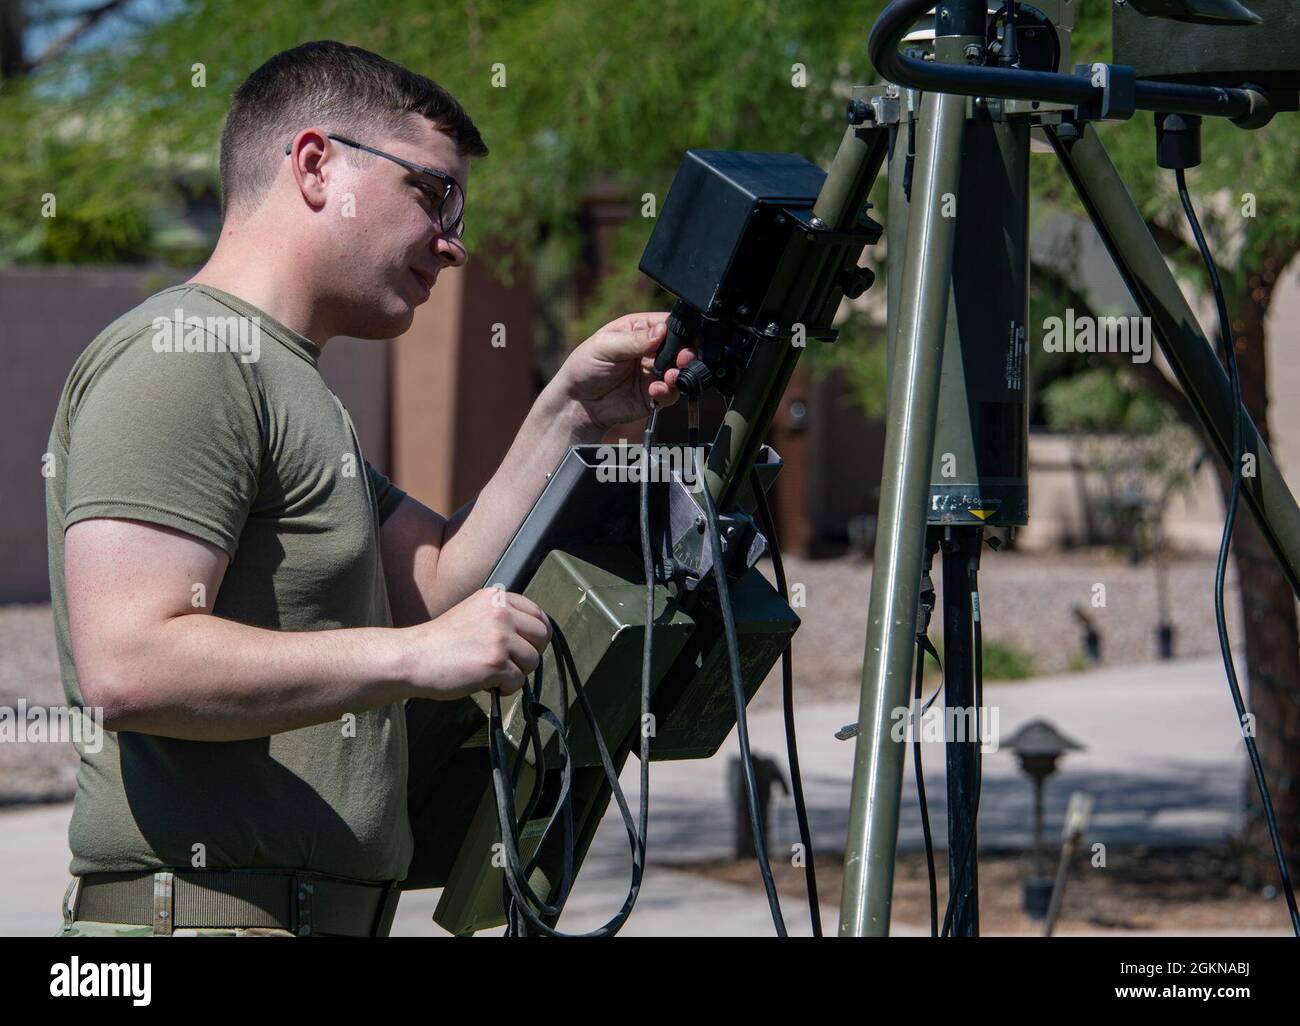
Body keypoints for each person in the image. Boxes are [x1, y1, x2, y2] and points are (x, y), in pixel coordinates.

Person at [47, 39, 693, 936]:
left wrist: (569, 413)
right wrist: (413, 660)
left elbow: (432, 585)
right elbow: (131, 665)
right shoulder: (185, 360)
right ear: (316, 166)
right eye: (433, 194)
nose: (454, 242)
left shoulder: (291, 382)